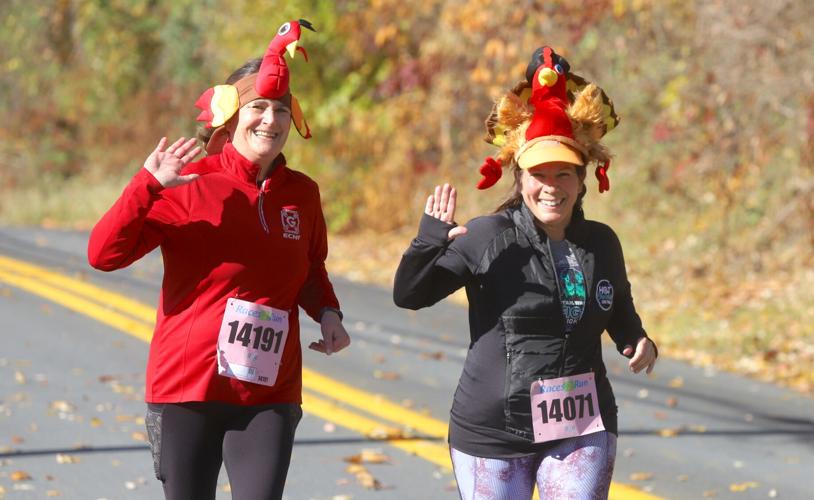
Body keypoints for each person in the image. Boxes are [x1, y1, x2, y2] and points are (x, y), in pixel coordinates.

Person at [88, 19, 350, 500]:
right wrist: (146, 185)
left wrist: (328, 313)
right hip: (188, 388)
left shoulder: (303, 195)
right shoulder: (190, 181)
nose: (270, 120)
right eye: (258, 107)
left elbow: (311, 268)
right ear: (230, 116)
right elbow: (104, 255)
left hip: (269, 390)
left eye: (280, 110)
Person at [393, 46, 657, 499]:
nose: (551, 187)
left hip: (581, 424)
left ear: (582, 180)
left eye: (564, 174)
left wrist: (636, 339)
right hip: (494, 433)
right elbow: (410, 295)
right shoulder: (487, 236)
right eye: (539, 174)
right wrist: (428, 241)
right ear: (519, 178)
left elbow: (616, 306)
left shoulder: (602, 242)